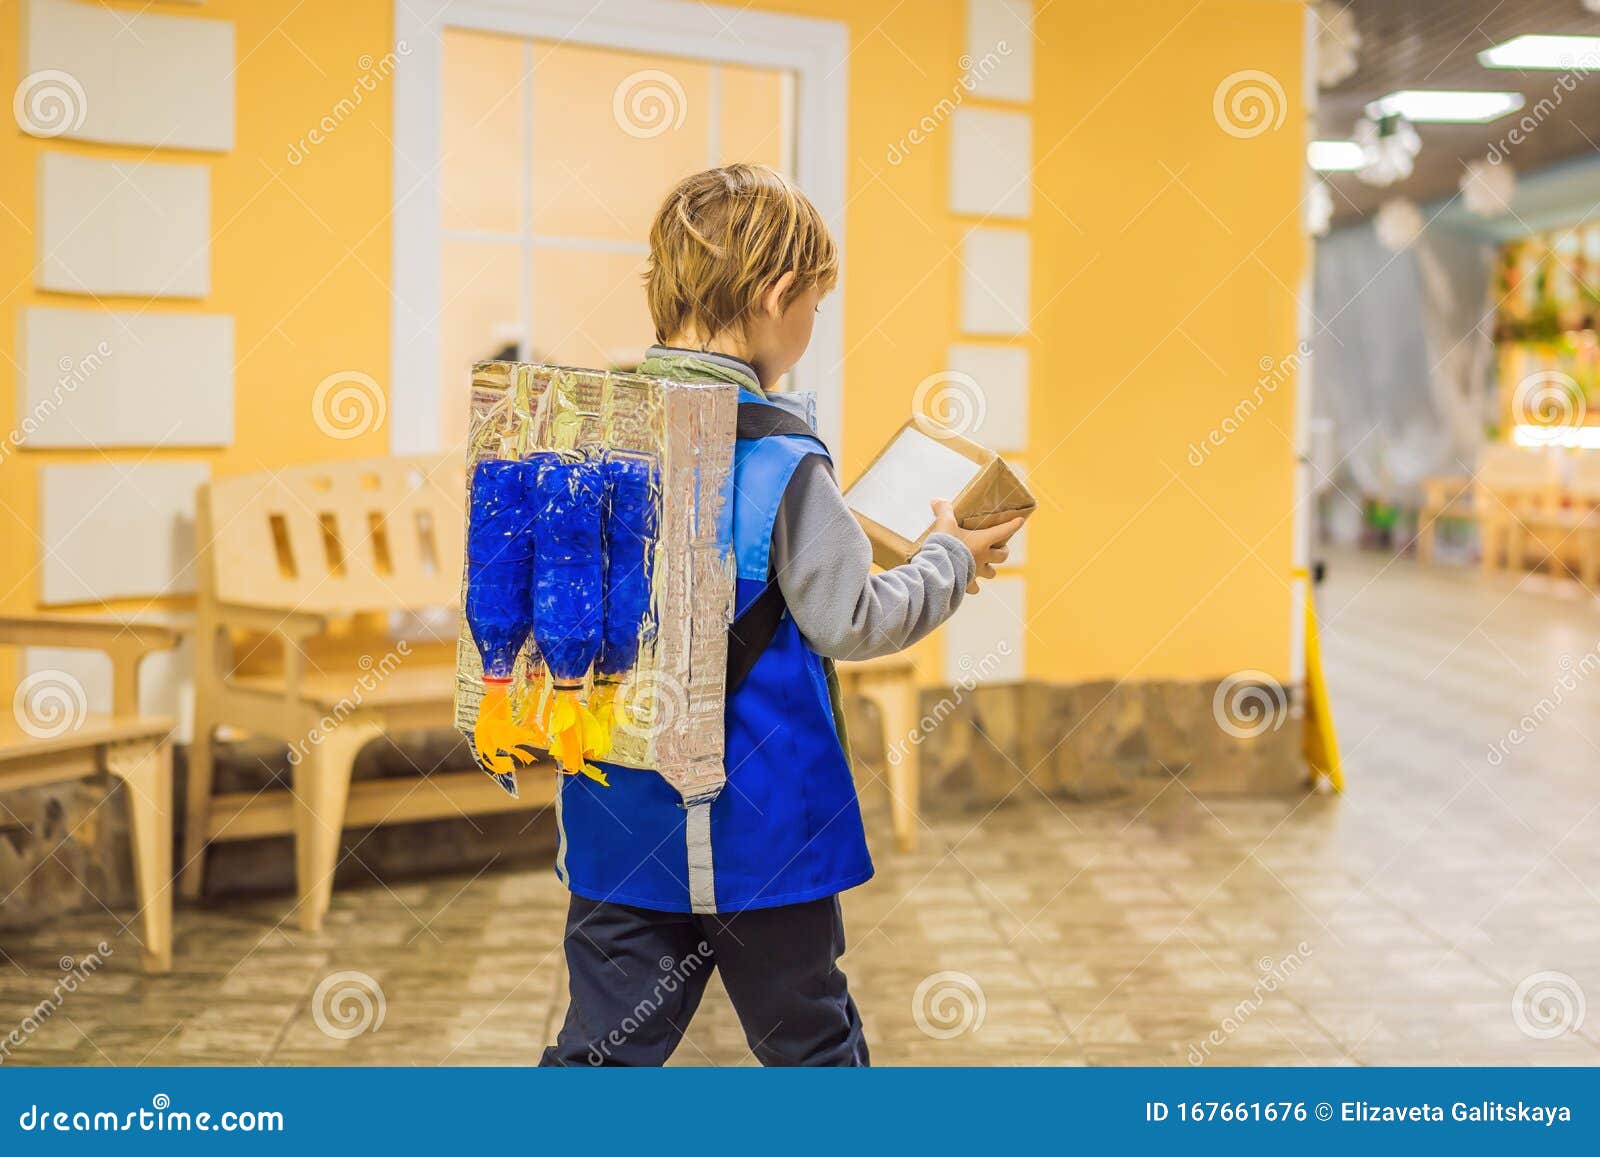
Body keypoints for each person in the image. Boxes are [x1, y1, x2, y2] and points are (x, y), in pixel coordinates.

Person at [541, 163, 1020, 1067]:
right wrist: (953, 558)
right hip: (764, 840)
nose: (808, 327)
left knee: (599, 1055)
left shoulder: (588, 432)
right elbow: (852, 619)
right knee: (810, 1049)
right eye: (812, 305)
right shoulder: (784, 460)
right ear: (776, 293)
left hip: (617, 823)